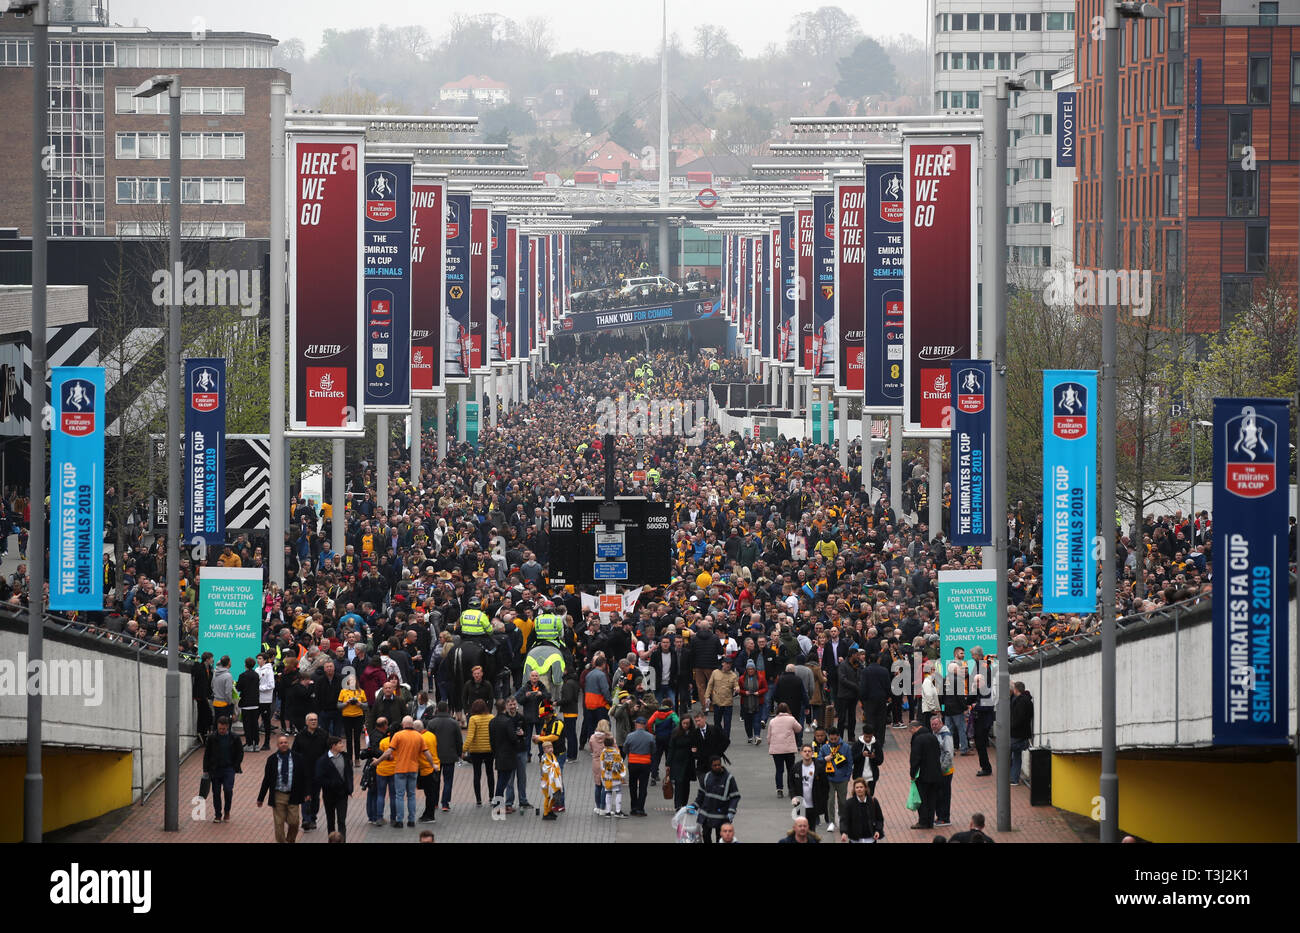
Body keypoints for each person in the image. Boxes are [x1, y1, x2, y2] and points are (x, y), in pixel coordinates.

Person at [377, 715, 435, 828]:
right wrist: (433, 764)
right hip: (413, 769)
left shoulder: (398, 735)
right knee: (411, 795)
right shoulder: (419, 736)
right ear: (412, 724)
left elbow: (389, 752)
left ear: (403, 725)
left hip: (400, 769)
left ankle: (399, 820)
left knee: (399, 795)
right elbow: (426, 753)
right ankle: (411, 820)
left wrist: (378, 761)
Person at [257, 733, 308, 843]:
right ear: (277, 745)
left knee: (294, 822)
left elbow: (304, 777)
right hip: (278, 795)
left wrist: (307, 793)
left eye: (285, 742)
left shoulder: (297, 758)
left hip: (293, 794)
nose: (284, 744)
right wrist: (261, 798)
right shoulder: (272, 760)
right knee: (279, 823)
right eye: (281, 743)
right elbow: (266, 780)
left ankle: (290, 840)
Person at [202, 715, 244, 823]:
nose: (221, 730)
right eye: (220, 728)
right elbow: (207, 754)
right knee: (216, 792)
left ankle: (227, 811)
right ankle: (217, 814)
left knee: (228, 790)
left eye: (223, 729)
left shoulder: (234, 738)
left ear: (227, 727)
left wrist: (235, 765)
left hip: (229, 769)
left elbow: (240, 752)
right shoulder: (211, 738)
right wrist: (206, 769)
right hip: (215, 769)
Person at [292, 712, 330, 831]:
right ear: (306, 722)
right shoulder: (300, 736)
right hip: (304, 771)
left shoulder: (323, 735)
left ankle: (313, 817)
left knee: (315, 796)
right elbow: (295, 753)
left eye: (315, 719)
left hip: (318, 772)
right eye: (311, 720)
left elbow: (327, 752)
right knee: (305, 796)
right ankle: (306, 819)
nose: (314, 721)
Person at [313, 735, 353, 841]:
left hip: (342, 794)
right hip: (329, 795)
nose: (342, 745)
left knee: (341, 820)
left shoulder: (345, 756)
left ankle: (342, 841)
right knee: (330, 821)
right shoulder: (323, 760)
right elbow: (319, 778)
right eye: (340, 743)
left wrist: (350, 787)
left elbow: (349, 773)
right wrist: (332, 783)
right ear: (333, 746)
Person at [694, 755, 740, 844]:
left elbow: (735, 796)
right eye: (715, 765)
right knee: (706, 836)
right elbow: (701, 795)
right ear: (711, 766)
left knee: (720, 838)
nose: (717, 767)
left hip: (721, 815)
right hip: (707, 814)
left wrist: (731, 811)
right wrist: (694, 805)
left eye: (719, 764)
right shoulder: (706, 777)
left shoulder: (729, 779)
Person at [427, 701, 463, 811]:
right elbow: (459, 740)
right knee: (448, 780)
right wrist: (458, 753)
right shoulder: (454, 723)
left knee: (435, 781)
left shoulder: (431, 723)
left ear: (437, 709)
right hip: (450, 756)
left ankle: (434, 802)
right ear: (447, 709)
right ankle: (445, 803)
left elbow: (428, 740)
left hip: (435, 757)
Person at [908, 716, 942, 831]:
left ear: (914, 728)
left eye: (911, 730)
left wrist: (912, 773)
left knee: (922, 798)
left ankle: (923, 821)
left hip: (923, 775)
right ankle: (930, 821)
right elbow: (938, 753)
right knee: (932, 798)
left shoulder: (917, 739)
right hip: (936, 774)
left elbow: (915, 759)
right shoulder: (933, 737)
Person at [765, 702, 803, 797]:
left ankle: (779, 790)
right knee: (790, 769)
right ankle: (791, 789)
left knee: (779, 770)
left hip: (777, 750)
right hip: (789, 749)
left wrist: (771, 744)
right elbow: (799, 729)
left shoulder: (772, 721)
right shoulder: (791, 719)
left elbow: (769, 736)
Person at [490, 698, 522, 813]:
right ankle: (497, 805)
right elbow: (512, 738)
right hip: (508, 755)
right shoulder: (507, 721)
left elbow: (491, 740)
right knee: (503, 782)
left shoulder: (492, 722)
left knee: (501, 779)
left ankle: (498, 804)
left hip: (498, 754)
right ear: (504, 708)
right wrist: (518, 740)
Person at [463, 698, 495, 806]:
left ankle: (478, 799)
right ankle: (491, 797)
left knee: (477, 774)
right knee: (490, 773)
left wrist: (463, 750)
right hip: (489, 749)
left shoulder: (473, 719)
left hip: (476, 751)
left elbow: (470, 736)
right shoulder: (491, 717)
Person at [667, 713, 699, 811]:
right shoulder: (676, 732)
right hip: (677, 761)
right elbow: (671, 748)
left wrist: (695, 751)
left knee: (686, 784)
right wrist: (668, 763)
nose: (685, 725)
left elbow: (696, 745)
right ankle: (678, 805)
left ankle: (684, 804)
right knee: (678, 783)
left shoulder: (693, 733)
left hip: (689, 762)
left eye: (687, 723)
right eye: (684, 723)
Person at [796, 743, 829, 832]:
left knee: (812, 829)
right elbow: (791, 784)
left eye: (809, 751)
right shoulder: (796, 767)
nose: (807, 753)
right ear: (801, 753)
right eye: (805, 751)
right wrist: (793, 797)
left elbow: (825, 785)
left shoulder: (819, 767)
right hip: (801, 804)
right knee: (802, 829)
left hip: (814, 804)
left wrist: (823, 799)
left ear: (812, 753)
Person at [840, 776, 884, 843]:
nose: (859, 789)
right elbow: (844, 819)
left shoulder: (873, 801)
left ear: (865, 788)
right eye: (857, 787)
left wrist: (877, 830)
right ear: (854, 789)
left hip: (870, 839)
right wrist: (844, 832)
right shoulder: (849, 803)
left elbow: (879, 819)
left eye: (861, 787)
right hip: (855, 840)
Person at [704, 656, 739, 737]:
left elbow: (736, 685)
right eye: (727, 663)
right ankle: (719, 735)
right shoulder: (715, 672)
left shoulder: (733, 675)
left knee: (727, 722)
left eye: (730, 664)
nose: (728, 665)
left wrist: (737, 689)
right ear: (723, 663)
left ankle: (726, 738)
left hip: (728, 703)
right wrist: (707, 697)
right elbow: (710, 685)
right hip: (717, 702)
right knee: (717, 722)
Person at [337, 673, 368, 763]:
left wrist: (359, 704)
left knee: (357, 739)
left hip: (358, 716)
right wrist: (346, 703)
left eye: (353, 681)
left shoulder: (361, 691)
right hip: (347, 717)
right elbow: (338, 706)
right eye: (350, 681)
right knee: (349, 739)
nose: (352, 682)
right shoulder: (343, 691)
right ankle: (350, 758)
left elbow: (366, 706)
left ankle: (357, 759)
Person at [931, 713, 955, 827]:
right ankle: (940, 816)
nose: (934, 726)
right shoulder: (935, 734)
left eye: (936, 724)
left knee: (944, 795)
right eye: (932, 724)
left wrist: (942, 768)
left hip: (945, 771)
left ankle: (945, 818)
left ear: (941, 723)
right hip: (938, 770)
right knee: (939, 794)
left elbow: (949, 753)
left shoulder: (946, 735)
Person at [736, 659, 766, 743]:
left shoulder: (761, 677)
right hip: (746, 703)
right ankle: (749, 736)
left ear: (754, 669)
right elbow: (739, 691)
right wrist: (744, 692)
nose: (750, 670)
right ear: (746, 669)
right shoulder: (741, 679)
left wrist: (759, 692)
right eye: (749, 669)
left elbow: (765, 688)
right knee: (748, 722)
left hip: (758, 702)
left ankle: (757, 736)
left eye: (752, 669)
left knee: (757, 720)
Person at [1010, 681, 1034, 785]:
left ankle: (1013, 777)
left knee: (1012, 751)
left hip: (1017, 732)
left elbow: (1019, 718)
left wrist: (1011, 726)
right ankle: (1014, 777)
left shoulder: (1020, 701)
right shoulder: (1026, 700)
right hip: (1023, 732)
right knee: (1016, 754)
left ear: (1016, 689)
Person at [588, 718, 613, 814]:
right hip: (606, 762)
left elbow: (591, 748)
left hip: (596, 762)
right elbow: (614, 749)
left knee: (597, 784)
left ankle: (598, 807)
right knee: (605, 786)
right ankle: (603, 807)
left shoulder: (592, 737)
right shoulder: (609, 738)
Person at [236, 657, 262, 751]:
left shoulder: (242, 675)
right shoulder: (256, 675)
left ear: (245, 664)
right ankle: (257, 744)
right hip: (255, 702)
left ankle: (249, 744)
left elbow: (239, 688)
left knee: (247, 725)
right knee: (255, 724)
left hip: (246, 703)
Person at [599, 735, 628, 818]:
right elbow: (620, 765)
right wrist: (623, 774)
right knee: (618, 792)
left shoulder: (603, 753)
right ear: (612, 744)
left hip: (607, 777)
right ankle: (618, 811)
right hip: (616, 777)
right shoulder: (616, 752)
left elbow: (602, 766)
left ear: (604, 744)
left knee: (608, 792)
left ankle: (608, 812)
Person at [539, 741, 563, 820]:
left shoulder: (552, 756)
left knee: (554, 796)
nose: (551, 749)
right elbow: (545, 770)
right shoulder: (544, 758)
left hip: (553, 780)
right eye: (548, 748)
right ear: (544, 750)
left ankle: (550, 810)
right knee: (548, 797)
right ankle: (545, 814)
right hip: (547, 781)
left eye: (551, 747)